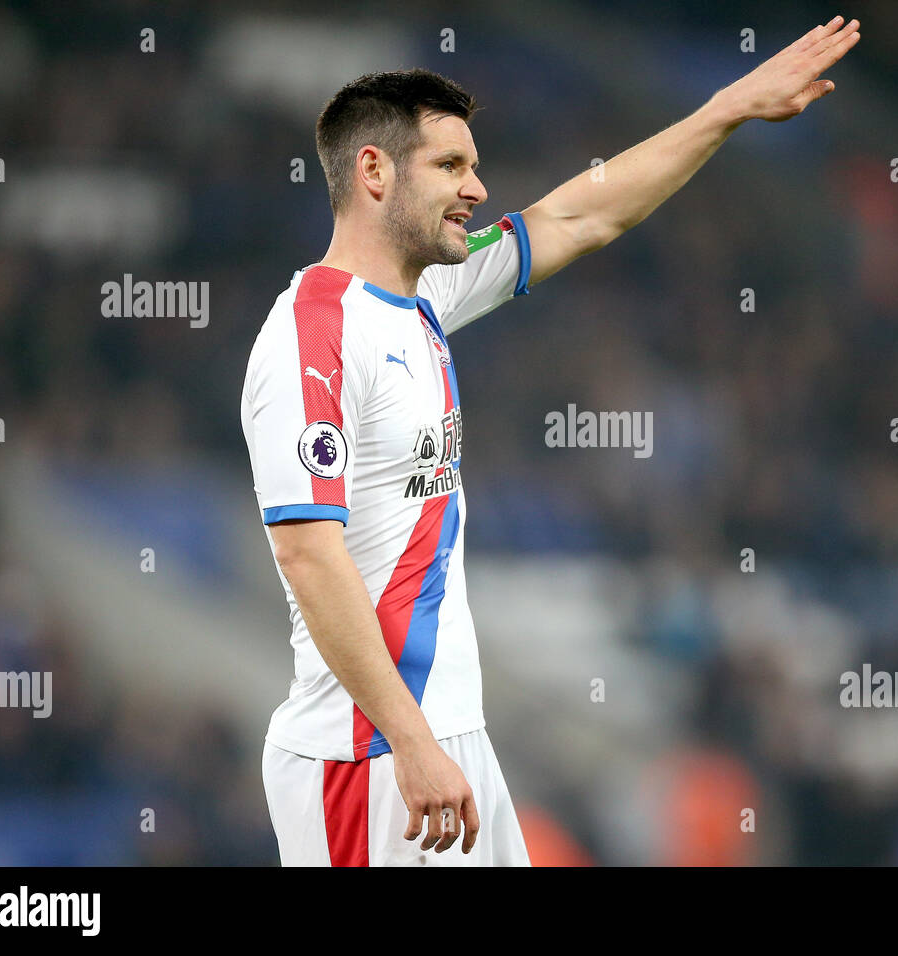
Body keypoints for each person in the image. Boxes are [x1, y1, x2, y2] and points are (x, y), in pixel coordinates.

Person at [241, 16, 861, 866]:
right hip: (366, 759)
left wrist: (725, 110)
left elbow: (579, 216)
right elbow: (310, 553)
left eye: (476, 165)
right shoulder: (310, 337)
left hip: (448, 740)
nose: (477, 187)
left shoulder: (424, 300)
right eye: (452, 166)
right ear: (374, 171)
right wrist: (412, 742)